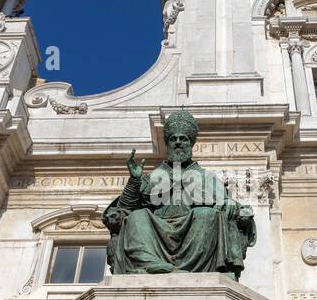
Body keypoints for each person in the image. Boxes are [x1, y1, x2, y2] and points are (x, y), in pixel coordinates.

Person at [102, 109, 255, 277]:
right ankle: (150, 263)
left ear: (191, 144)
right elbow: (124, 210)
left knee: (205, 214)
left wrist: (231, 204)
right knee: (136, 218)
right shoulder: (151, 177)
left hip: (194, 225)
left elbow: (229, 204)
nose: (178, 142)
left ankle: (193, 268)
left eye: (184, 139)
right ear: (167, 144)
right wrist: (134, 181)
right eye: (173, 139)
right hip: (155, 228)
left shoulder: (207, 177)